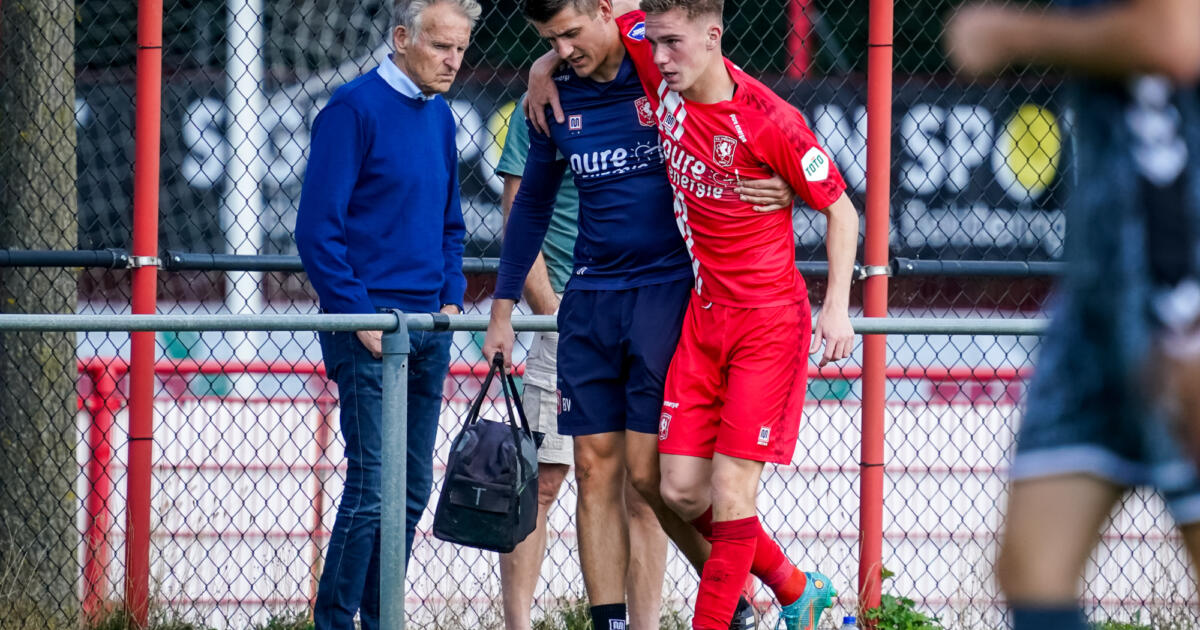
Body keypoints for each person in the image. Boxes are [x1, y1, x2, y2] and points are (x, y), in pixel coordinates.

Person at [521, 1, 858, 628]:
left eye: (674, 44)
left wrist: (837, 308)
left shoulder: (772, 121)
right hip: (703, 319)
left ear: (714, 36)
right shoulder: (660, 76)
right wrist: (545, 62)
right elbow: (591, 16)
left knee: (730, 498)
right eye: (656, 43)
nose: (660, 57)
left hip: (767, 325)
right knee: (671, 487)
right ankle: (796, 590)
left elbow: (842, 210)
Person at [945, 2, 1200, 629]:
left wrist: (1011, 33)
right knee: (1032, 570)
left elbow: (1171, 39)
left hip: (1174, 292)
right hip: (1098, 298)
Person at [293, 0, 479, 627]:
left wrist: (452, 292)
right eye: (441, 47)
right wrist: (356, 313)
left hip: (430, 326)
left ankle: (381, 619)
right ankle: (335, 620)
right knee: (372, 491)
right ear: (402, 39)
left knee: (411, 491)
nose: (454, 61)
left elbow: (451, 223)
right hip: (368, 329)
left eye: (460, 48)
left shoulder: (441, 118)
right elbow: (318, 229)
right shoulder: (352, 110)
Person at [494, 98, 671, 630]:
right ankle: (518, 624)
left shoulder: (665, 86)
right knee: (540, 482)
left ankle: (644, 624)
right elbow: (518, 213)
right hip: (569, 317)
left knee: (645, 489)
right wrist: (552, 312)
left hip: (648, 316)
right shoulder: (544, 99)